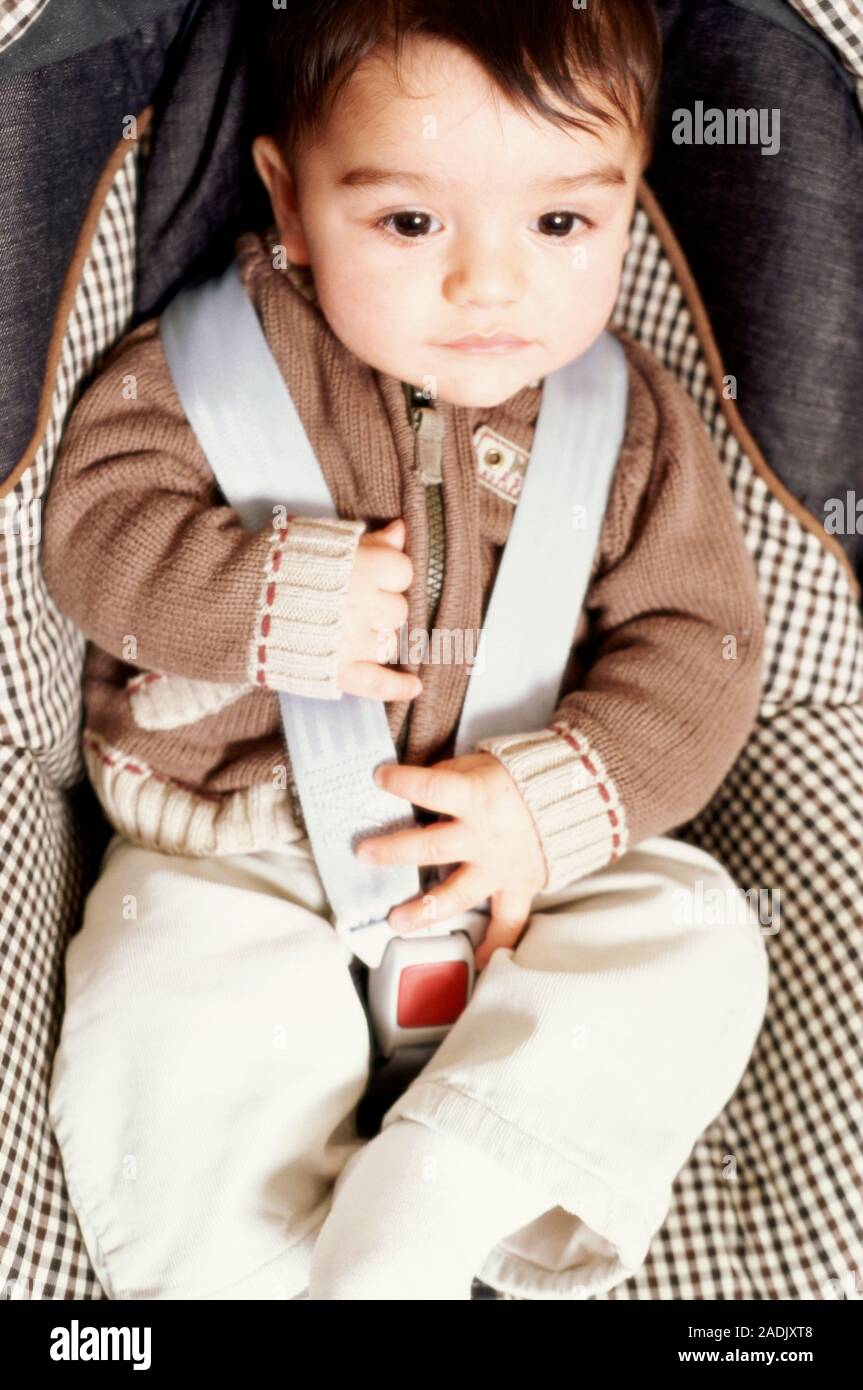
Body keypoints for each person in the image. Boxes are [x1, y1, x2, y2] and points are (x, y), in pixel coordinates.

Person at [41, 0, 769, 1301]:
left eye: (561, 223)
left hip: (521, 897)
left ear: (628, 198)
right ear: (290, 193)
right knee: (165, 994)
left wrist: (555, 801)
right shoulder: (207, 369)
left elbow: (699, 654)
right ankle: (258, 1271)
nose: (490, 284)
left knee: (699, 931)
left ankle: (439, 1208)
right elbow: (95, 538)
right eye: (410, 222)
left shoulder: (641, 429)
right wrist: (265, 594)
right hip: (243, 851)